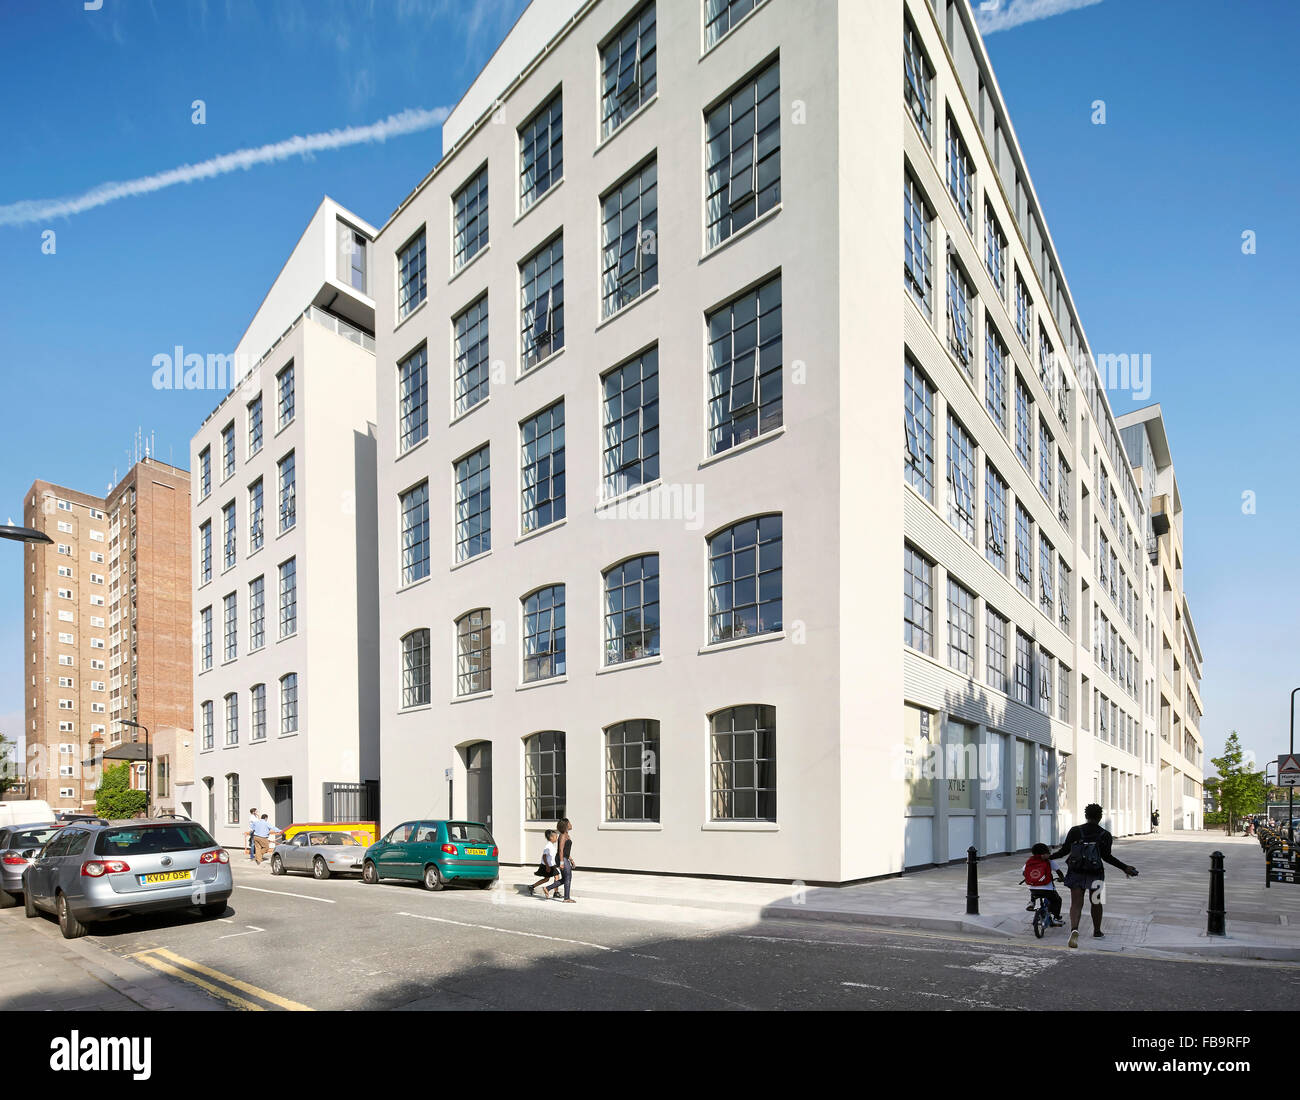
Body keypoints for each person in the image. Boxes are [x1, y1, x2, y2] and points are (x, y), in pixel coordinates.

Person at [1050, 803, 1138, 949]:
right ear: (1100, 817)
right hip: (1096, 873)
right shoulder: (1105, 835)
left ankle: (1074, 929)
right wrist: (1124, 868)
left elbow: (1064, 851)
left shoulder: (1075, 831)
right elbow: (1107, 857)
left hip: (1076, 871)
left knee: (1076, 903)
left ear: (1086, 816)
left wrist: (1048, 857)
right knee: (1096, 902)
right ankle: (1097, 931)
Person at [1020, 843, 1065, 925]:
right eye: (1048, 853)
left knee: (1034, 888)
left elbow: (1024, 872)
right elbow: (1059, 872)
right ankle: (1056, 918)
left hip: (1032, 887)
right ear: (1043, 854)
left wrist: (1032, 878)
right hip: (1047, 889)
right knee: (1057, 900)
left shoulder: (1030, 861)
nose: (1049, 854)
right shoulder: (1050, 862)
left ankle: (1032, 902)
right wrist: (1061, 879)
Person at [529, 829, 560, 897]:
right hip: (548, 866)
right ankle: (556, 892)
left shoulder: (551, 845)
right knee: (557, 876)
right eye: (556, 837)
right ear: (551, 837)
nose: (557, 838)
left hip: (551, 865)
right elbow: (544, 856)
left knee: (546, 879)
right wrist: (547, 866)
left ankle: (532, 886)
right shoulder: (548, 846)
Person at [553, 817, 576, 903]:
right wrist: (562, 862)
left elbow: (566, 850)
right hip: (562, 858)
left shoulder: (566, 835)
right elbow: (561, 850)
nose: (571, 824)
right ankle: (566, 898)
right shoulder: (562, 836)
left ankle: (547, 888)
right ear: (566, 826)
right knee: (568, 877)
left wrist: (571, 860)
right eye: (569, 823)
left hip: (565, 858)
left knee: (566, 878)